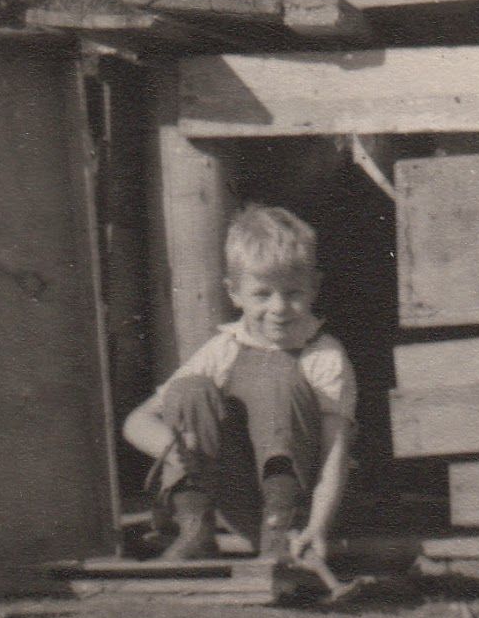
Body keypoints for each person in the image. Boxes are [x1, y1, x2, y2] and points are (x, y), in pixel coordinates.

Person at [122, 205, 356, 562]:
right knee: (190, 389)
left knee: (276, 376)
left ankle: (281, 531)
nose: (278, 307)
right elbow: (136, 423)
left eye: (292, 293)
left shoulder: (324, 355)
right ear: (234, 293)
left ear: (314, 288)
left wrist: (319, 526)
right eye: (262, 294)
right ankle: (195, 529)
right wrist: (179, 450)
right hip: (239, 502)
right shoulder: (224, 348)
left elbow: (334, 454)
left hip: (300, 506)